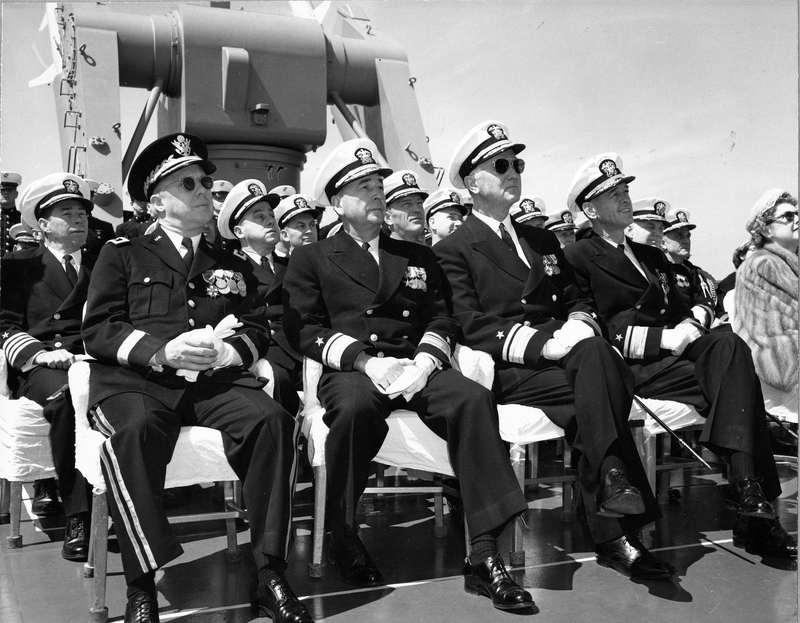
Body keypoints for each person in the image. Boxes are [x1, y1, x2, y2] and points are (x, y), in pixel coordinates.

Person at [283, 138, 534, 612]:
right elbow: (305, 329)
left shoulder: (417, 256)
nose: (377, 194)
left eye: (379, 184)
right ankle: (342, 532)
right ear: (338, 202)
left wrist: (425, 360)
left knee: (473, 399)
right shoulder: (312, 259)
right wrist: (365, 361)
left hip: (414, 366)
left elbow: (443, 318)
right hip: (356, 369)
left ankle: (483, 555)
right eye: (363, 187)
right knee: (355, 409)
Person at [81, 133, 312, 623]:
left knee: (273, 420)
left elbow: (255, 328)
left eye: (206, 180)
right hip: (136, 383)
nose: (204, 189)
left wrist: (231, 351)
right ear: (158, 199)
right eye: (189, 183)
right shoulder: (120, 252)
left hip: (212, 384)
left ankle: (270, 573)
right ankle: (141, 585)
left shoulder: (228, 263)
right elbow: (98, 329)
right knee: (136, 431)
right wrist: (161, 350)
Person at [435, 121, 672, 581]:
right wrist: (548, 344)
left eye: (517, 164)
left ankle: (611, 491)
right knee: (600, 376)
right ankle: (615, 529)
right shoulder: (453, 248)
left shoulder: (540, 240)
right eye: (499, 165)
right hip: (514, 367)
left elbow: (577, 300)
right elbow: (471, 324)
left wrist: (578, 328)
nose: (513, 172)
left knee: (596, 364)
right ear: (470, 183)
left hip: (569, 360)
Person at [563, 152, 796, 561]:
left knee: (730, 347)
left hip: (675, 358)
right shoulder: (578, 257)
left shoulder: (650, 255)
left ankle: (746, 490)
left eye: (625, 189)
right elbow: (593, 325)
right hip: (629, 366)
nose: (624, 197)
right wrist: (666, 337)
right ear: (590, 209)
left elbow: (696, 300)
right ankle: (753, 512)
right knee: (733, 380)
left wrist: (692, 323)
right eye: (613, 193)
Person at [1, 172, 96, 561]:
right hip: (42, 365)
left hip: (92, 357)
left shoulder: (105, 262)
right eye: (66, 212)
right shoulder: (17, 265)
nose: (78, 219)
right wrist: (39, 354)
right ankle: (80, 517)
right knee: (65, 398)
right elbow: (5, 326)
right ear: (42, 225)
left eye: (82, 212)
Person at [216, 180, 303, 403]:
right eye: (259, 217)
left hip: (302, 351)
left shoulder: (296, 265)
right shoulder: (228, 269)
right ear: (238, 231)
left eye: (271, 216)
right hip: (263, 353)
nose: (269, 222)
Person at [734, 189, 798, 402]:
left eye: (797, 214)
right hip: (779, 357)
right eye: (788, 217)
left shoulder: (786, 263)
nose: (796, 219)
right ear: (766, 230)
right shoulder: (765, 264)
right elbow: (773, 332)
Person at [661, 207, 722, 321]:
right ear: (663, 243)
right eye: (679, 236)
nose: (686, 240)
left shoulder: (698, 274)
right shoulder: (658, 271)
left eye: (688, 236)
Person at [382, 170, 428, 245]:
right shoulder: (380, 255)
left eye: (419, 203)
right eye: (407, 204)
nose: (417, 209)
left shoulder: (428, 254)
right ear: (388, 217)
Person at [1, 171, 22, 257]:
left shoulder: (23, 219)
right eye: (2, 190)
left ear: (16, 194)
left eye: (9, 189)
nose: (6, 193)